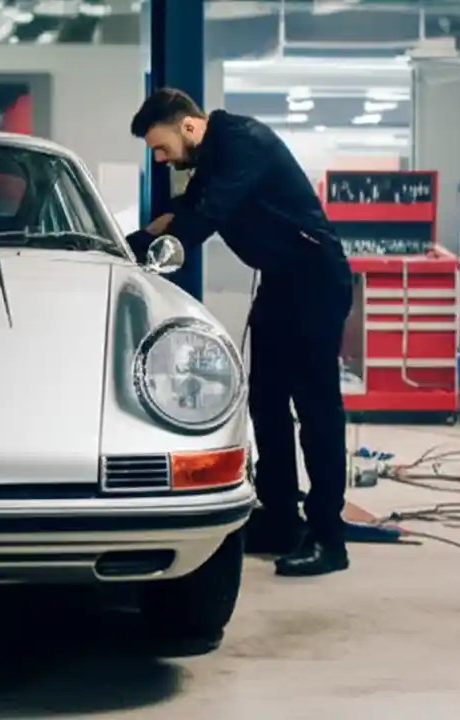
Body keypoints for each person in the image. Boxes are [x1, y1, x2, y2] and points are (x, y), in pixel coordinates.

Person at [125, 87, 354, 577]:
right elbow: (183, 210)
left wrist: (153, 249)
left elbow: (204, 216)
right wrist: (132, 242)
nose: (162, 159)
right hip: (280, 281)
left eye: (162, 147)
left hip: (315, 279)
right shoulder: (211, 159)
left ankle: (329, 536)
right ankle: (280, 520)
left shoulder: (241, 143)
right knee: (266, 403)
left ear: (188, 125)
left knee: (315, 409)